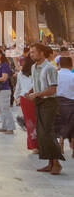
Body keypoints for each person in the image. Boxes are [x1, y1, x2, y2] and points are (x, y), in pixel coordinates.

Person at [29, 43, 63, 175]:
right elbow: (37, 84)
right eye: (30, 52)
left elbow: (52, 89)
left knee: (48, 132)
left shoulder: (49, 68)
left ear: (41, 53)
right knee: (42, 133)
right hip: (39, 102)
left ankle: (57, 163)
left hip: (49, 102)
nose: (31, 54)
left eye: (33, 52)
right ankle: (50, 162)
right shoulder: (33, 67)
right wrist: (30, 92)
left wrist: (36, 94)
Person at [0, 48, 15, 134]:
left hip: (4, 89)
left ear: (0, 55)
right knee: (1, 109)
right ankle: (4, 126)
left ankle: (10, 128)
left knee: (5, 109)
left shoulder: (4, 64)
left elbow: (4, 77)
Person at [55, 54, 74, 157]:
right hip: (71, 104)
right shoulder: (72, 76)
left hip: (57, 103)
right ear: (71, 65)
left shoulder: (56, 74)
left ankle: (61, 142)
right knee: (72, 125)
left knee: (60, 124)